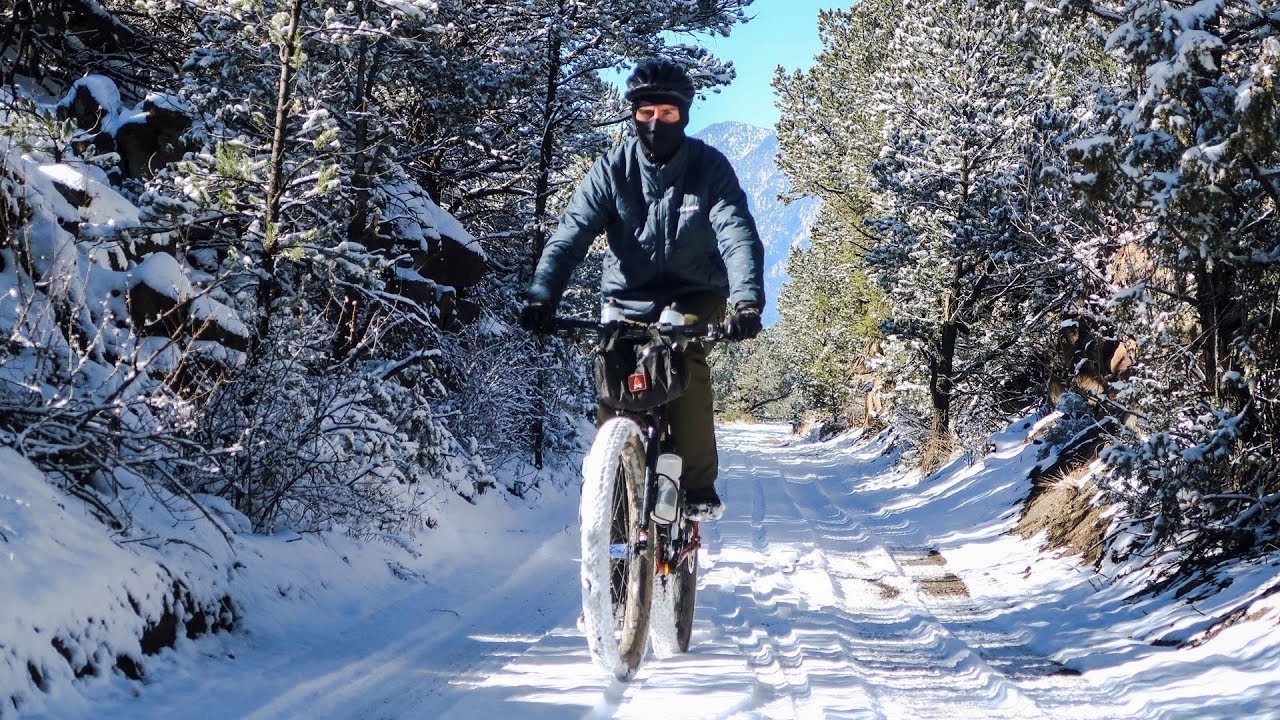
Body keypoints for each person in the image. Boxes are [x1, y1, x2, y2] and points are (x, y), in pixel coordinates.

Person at [519, 58, 765, 521]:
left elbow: (737, 233)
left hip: (695, 292)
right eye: (646, 112)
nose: (656, 122)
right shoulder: (612, 169)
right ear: (633, 115)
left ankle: (696, 486)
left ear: (684, 115)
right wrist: (541, 296)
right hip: (628, 297)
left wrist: (747, 301)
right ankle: (612, 501)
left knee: (684, 355)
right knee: (614, 373)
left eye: (667, 113)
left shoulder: (709, 168)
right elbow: (570, 235)